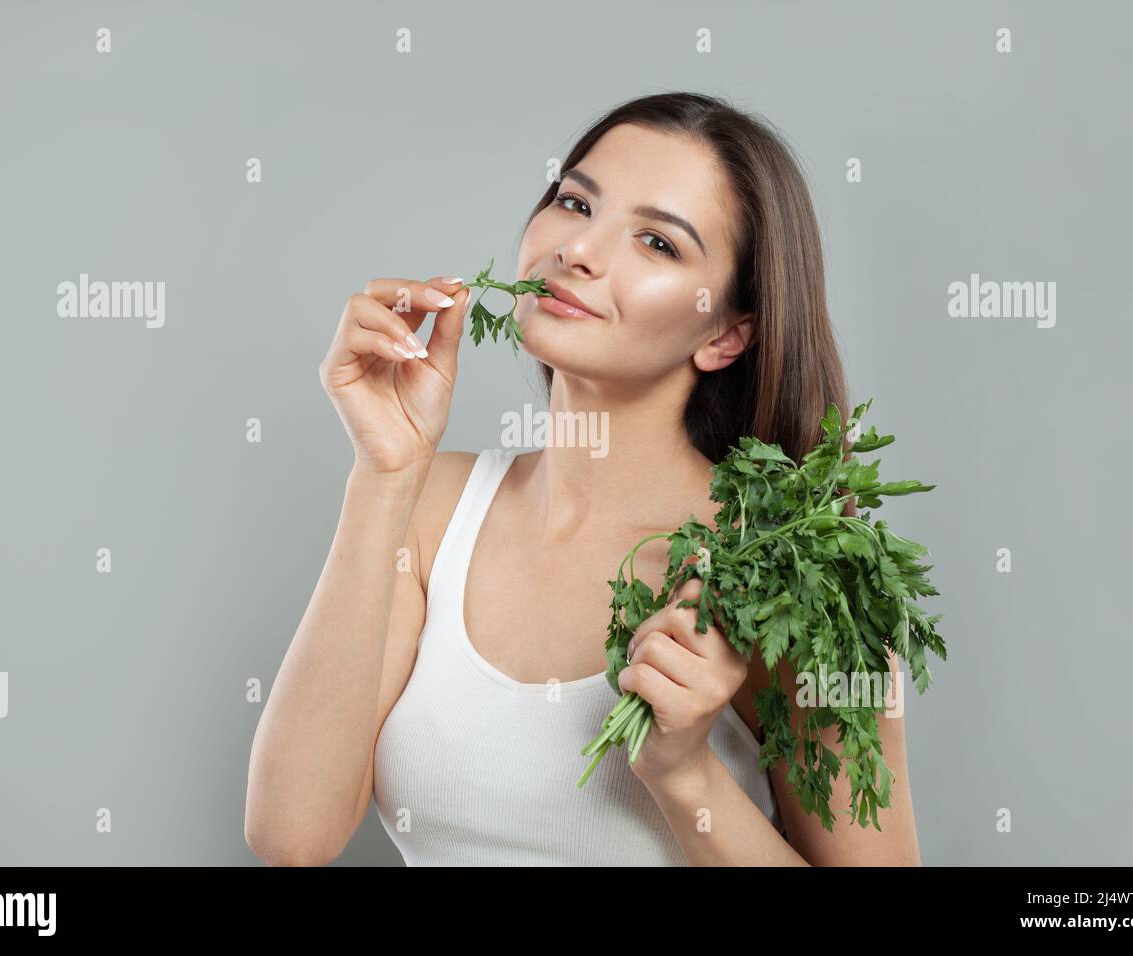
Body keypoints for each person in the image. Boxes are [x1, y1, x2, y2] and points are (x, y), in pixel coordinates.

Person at [244, 91, 921, 866]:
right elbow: (290, 836)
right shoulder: (432, 509)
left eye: (658, 244)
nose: (580, 251)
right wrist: (385, 472)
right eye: (574, 202)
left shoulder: (790, 573)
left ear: (728, 334)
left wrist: (686, 775)